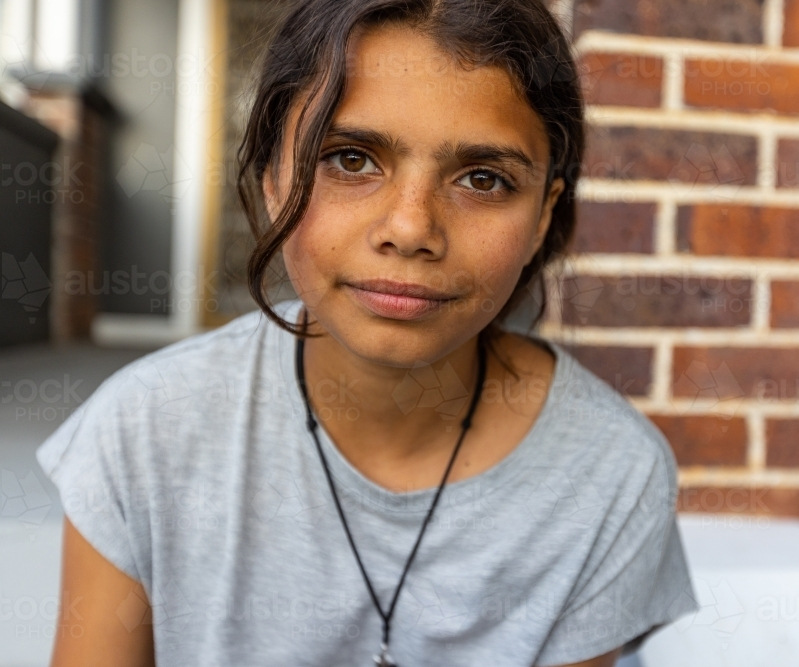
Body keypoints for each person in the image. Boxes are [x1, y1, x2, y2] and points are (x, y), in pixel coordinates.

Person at [35, 0, 698, 665]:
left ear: (542, 216)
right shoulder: (143, 432)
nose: (410, 229)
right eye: (350, 159)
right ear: (271, 176)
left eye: (483, 178)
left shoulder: (609, 473)